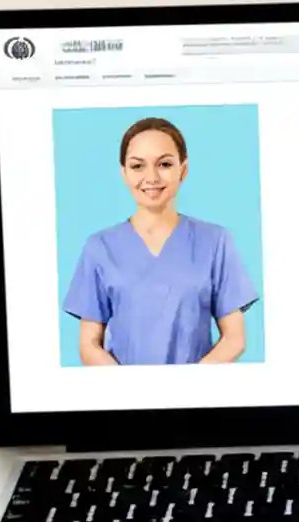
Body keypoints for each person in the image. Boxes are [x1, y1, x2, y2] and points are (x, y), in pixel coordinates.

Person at [63, 117, 259, 365]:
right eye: (138, 166)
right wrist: (132, 394)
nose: (151, 177)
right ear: (123, 173)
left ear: (183, 170)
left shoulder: (215, 242)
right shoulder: (99, 248)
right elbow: (89, 344)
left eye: (164, 164)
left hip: (196, 399)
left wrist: (186, 391)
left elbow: (234, 338)